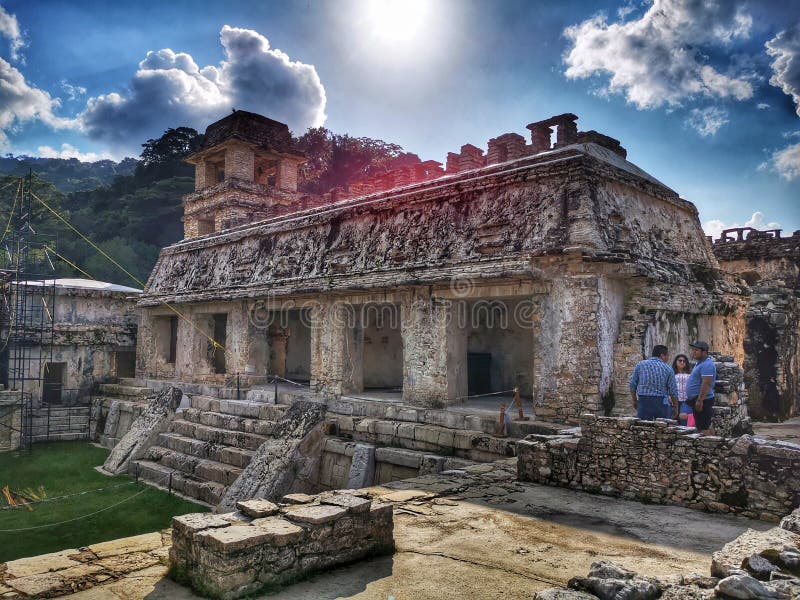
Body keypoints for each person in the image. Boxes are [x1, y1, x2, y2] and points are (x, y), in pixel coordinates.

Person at [629, 345, 679, 420]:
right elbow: (673, 391)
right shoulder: (668, 369)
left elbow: (632, 384)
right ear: (662, 355)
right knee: (661, 428)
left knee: (643, 428)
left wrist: (634, 400)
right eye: (667, 356)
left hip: (644, 400)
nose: (668, 358)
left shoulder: (640, 365)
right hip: (661, 403)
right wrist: (676, 408)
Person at [686, 341, 716, 435]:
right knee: (706, 425)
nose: (694, 352)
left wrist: (699, 401)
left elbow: (706, 383)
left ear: (704, 352)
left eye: (696, 350)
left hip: (703, 400)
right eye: (693, 350)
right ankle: (715, 446)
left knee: (703, 428)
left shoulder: (707, 364)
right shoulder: (700, 363)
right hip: (700, 399)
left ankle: (707, 448)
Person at [672, 354, 692, 425]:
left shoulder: (690, 375)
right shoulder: (671, 374)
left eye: (684, 361)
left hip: (685, 401)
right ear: (676, 362)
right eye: (680, 360)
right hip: (673, 400)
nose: (682, 362)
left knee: (683, 419)